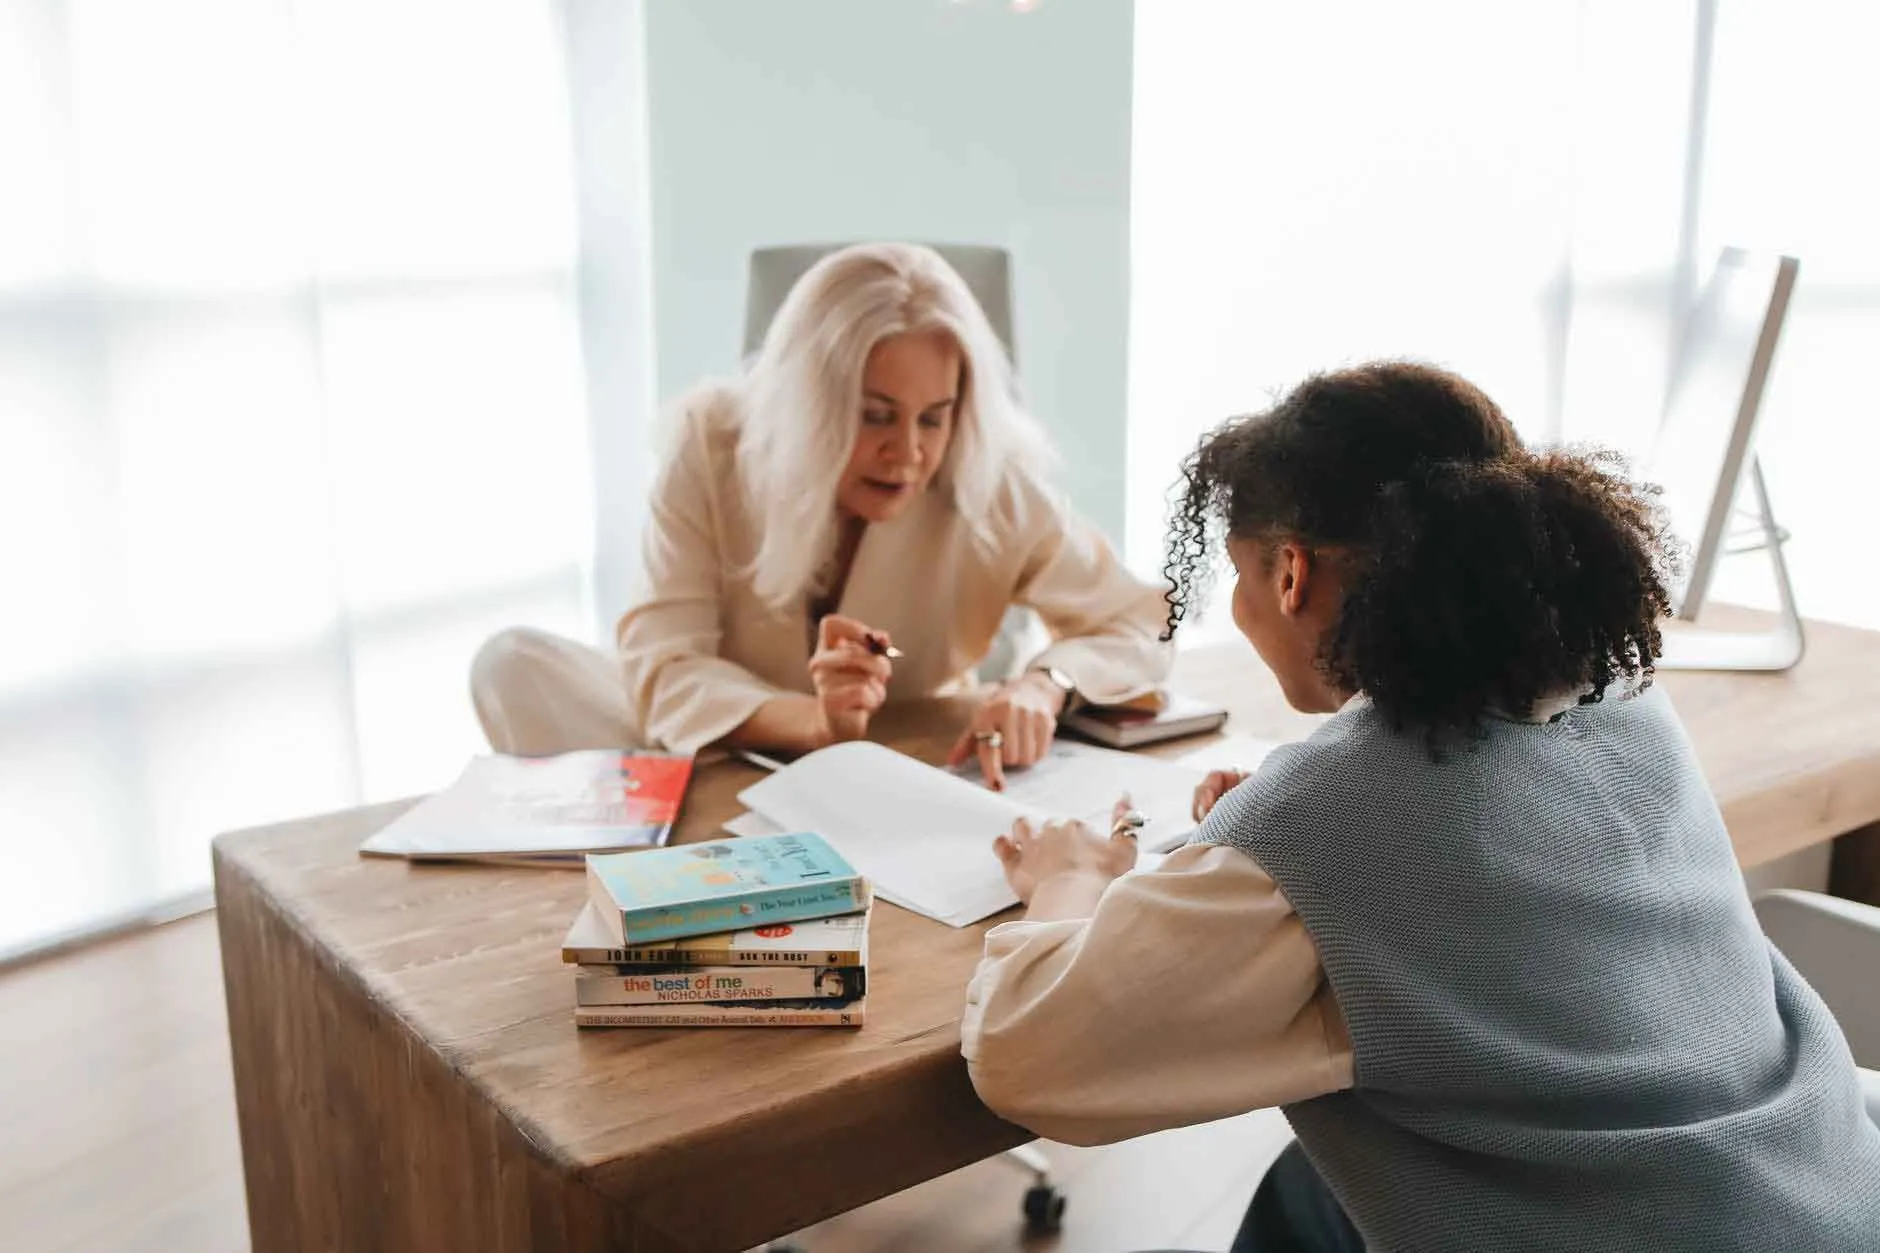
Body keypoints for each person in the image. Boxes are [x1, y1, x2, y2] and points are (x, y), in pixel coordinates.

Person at [961, 362, 1880, 1250]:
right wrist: (1288, 842)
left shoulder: (1331, 821)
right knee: (1308, 1189)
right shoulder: (1621, 691)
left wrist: (1070, 881)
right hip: (1823, 1184)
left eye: (1240, 580)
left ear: (1291, 574)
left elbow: (1022, 1052)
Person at [471, 243, 1170, 784]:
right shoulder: (709, 443)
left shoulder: (991, 475)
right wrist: (815, 723)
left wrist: (1045, 685)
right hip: (719, 747)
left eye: (935, 415)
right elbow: (665, 666)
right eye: (873, 415)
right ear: (809, 400)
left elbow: (1141, 618)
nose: (909, 452)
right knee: (512, 664)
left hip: (898, 757)